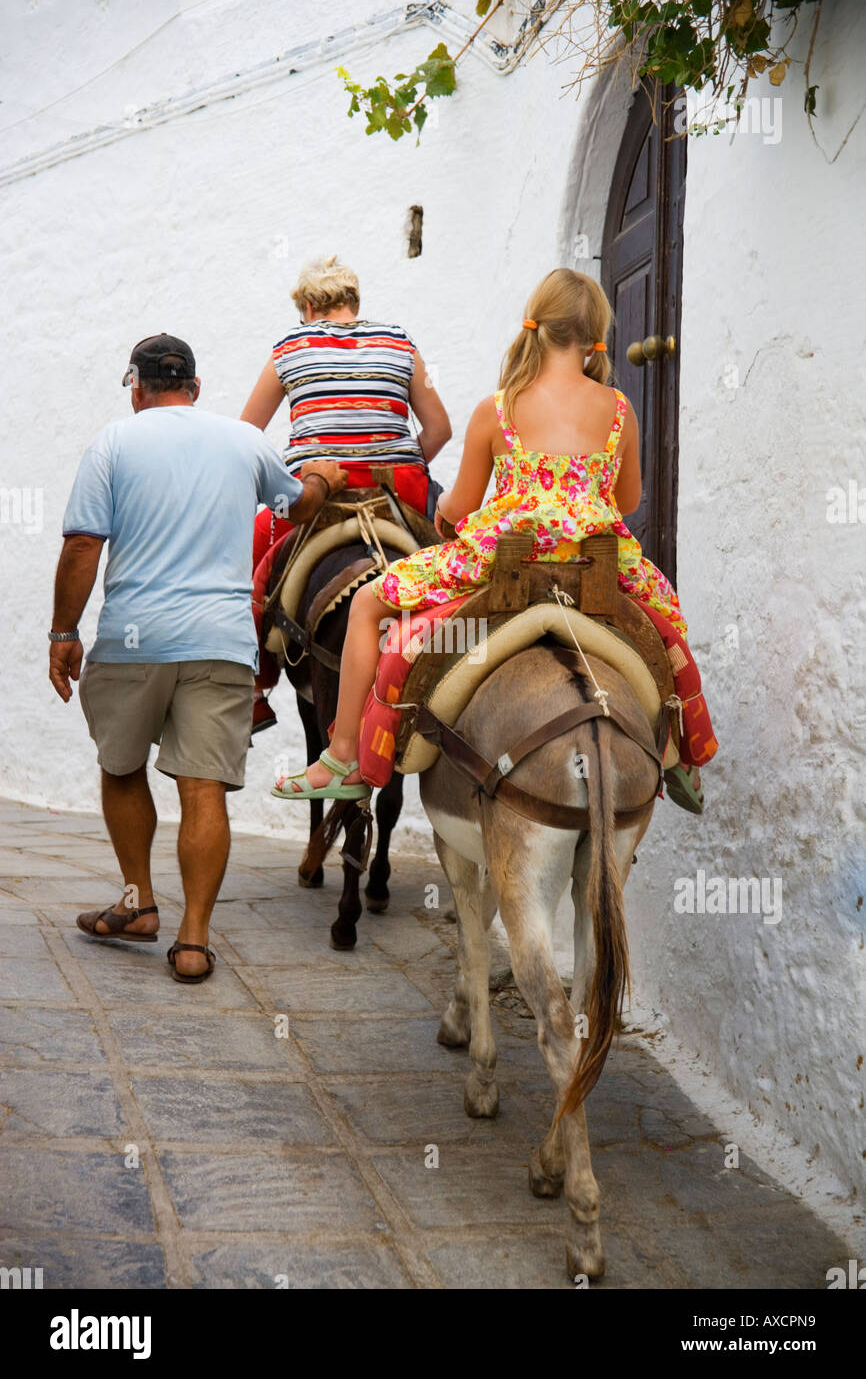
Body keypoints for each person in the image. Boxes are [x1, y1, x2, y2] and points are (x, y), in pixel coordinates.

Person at [270, 268, 716, 812]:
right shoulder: (619, 409)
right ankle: (680, 756)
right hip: (597, 569)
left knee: (366, 604)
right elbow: (627, 502)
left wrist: (452, 521)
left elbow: (459, 507)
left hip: (509, 566)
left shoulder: (498, 408)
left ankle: (341, 756)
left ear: (536, 327)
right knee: (667, 628)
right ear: (597, 336)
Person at [49, 333, 346, 982]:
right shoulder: (243, 441)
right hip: (220, 643)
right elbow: (297, 506)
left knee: (122, 768)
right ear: (197, 388)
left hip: (135, 642)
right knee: (203, 788)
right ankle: (192, 941)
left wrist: (62, 634)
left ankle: (138, 903)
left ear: (137, 388)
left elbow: (81, 547)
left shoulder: (113, 443)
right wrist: (321, 477)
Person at [240, 254, 452, 732]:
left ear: (311, 305)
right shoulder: (401, 342)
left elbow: (246, 437)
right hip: (400, 490)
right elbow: (439, 429)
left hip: (315, 496)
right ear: (353, 303)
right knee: (456, 555)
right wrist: (395, 461)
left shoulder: (289, 347)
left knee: (254, 556)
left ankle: (255, 687)